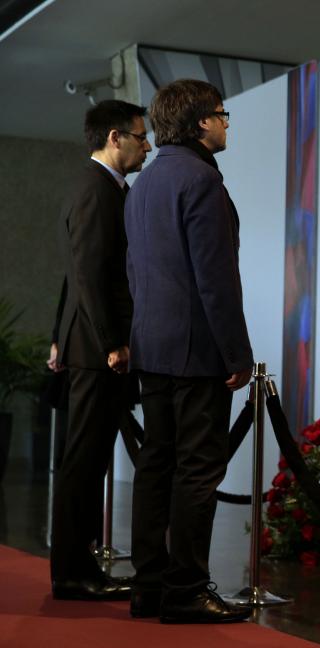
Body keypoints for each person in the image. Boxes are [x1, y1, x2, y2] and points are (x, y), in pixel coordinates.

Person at [124, 79, 253, 623]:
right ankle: (186, 590)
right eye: (223, 114)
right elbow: (215, 280)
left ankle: (150, 586)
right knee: (198, 472)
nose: (227, 123)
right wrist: (237, 355)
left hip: (151, 348)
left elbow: (135, 272)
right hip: (197, 352)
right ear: (201, 121)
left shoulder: (144, 183)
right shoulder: (201, 181)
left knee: (156, 466)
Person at [50, 100, 150, 599]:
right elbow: (88, 275)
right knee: (84, 463)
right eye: (140, 135)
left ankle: (78, 569)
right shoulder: (97, 191)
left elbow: (73, 275)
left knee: (87, 463)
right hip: (98, 349)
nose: (147, 144)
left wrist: (57, 334)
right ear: (115, 137)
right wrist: (112, 342)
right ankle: (72, 573)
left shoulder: (97, 188)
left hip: (88, 343)